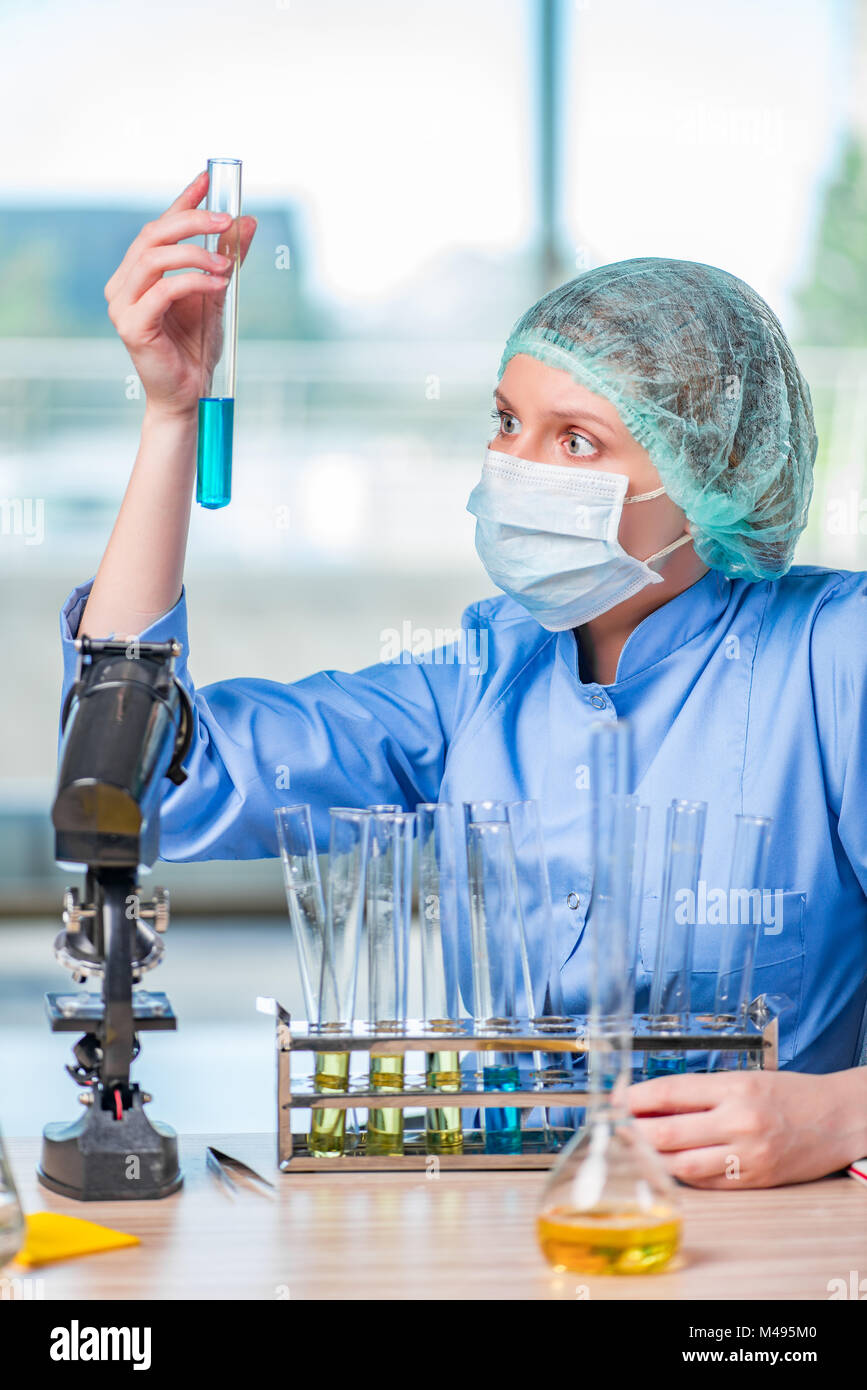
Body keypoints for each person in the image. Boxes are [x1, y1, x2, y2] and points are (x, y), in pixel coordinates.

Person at [57, 171, 867, 1189]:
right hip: (500, 1233)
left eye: (574, 440)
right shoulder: (483, 673)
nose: (513, 468)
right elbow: (136, 784)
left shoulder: (836, 658)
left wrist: (842, 1112)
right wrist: (173, 416)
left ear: (711, 474)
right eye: (505, 419)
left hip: (774, 1250)